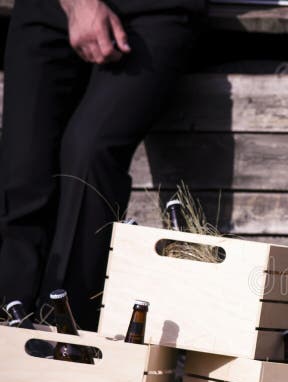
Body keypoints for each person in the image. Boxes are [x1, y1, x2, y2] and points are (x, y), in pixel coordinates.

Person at [0, 0, 205, 330]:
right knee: (23, 168)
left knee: (89, 150)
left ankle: (67, 328)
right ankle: (9, 314)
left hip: (156, 10)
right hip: (48, 7)